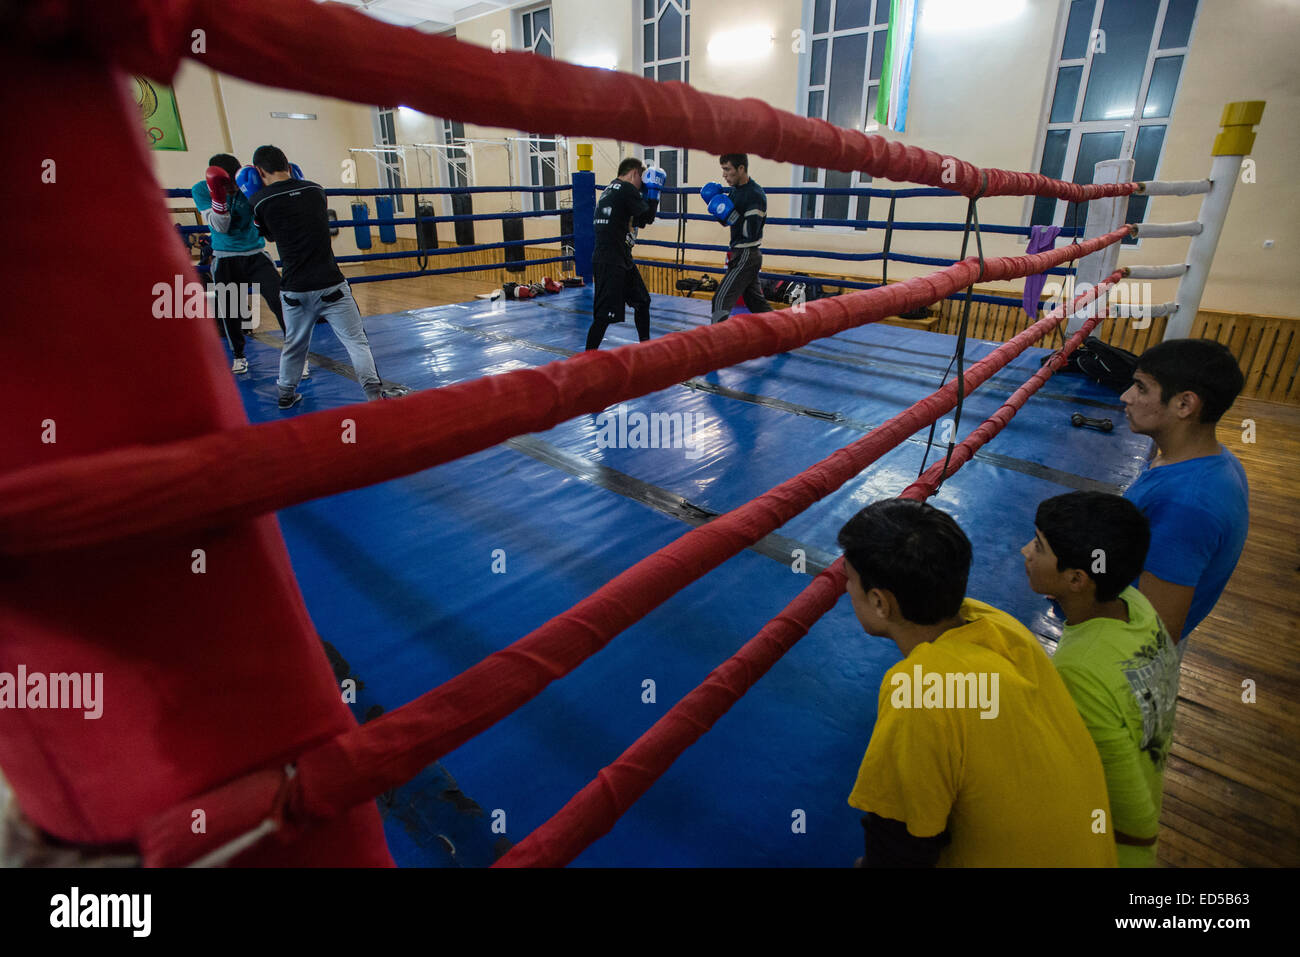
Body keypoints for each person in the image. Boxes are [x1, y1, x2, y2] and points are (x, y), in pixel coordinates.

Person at [838, 498, 1116, 867]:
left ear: (879, 602)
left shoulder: (920, 692)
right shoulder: (1000, 626)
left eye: (849, 580)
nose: (844, 589)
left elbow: (899, 848)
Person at [1022, 492, 1181, 867]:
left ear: (1078, 578)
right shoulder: (1133, 604)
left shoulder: (1078, 671)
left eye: (1039, 547)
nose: (1025, 551)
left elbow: (1130, 816)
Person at [244, 145, 406, 408]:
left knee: (295, 344)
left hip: (295, 289)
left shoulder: (258, 202)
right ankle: (374, 395)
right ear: (289, 165)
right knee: (356, 342)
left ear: (259, 171)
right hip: (331, 284)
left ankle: (286, 394)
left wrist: (256, 195)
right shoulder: (316, 191)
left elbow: (271, 235)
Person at [1119, 338, 1249, 642]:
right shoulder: (1218, 460)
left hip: (1124, 661)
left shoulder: (1187, 505)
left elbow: (1153, 633)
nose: (1126, 397)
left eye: (1140, 388)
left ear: (1184, 404)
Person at [191, 153, 288, 375]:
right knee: (230, 311)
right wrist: (218, 195)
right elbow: (221, 227)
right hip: (225, 258)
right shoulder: (201, 190)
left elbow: (267, 216)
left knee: (280, 301)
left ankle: (296, 355)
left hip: (256, 254)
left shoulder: (249, 182)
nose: (234, 188)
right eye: (228, 184)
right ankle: (239, 356)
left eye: (234, 182)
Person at [586, 158, 663, 350]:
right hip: (611, 261)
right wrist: (653, 192)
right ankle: (585, 358)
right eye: (641, 181)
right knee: (604, 316)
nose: (641, 187)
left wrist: (643, 197)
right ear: (634, 173)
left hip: (618, 258)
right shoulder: (627, 189)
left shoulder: (610, 189)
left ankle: (645, 347)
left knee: (642, 301)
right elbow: (649, 217)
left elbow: (639, 221)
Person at [700, 153, 774, 325]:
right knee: (756, 303)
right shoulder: (735, 192)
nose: (724, 175)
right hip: (740, 253)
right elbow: (727, 222)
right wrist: (716, 207)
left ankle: (718, 344)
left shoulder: (755, 195)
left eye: (727, 169)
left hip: (747, 254)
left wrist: (730, 213)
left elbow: (750, 232)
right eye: (723, 170)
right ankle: (784, 333)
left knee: (720, 301)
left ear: (741, 169)